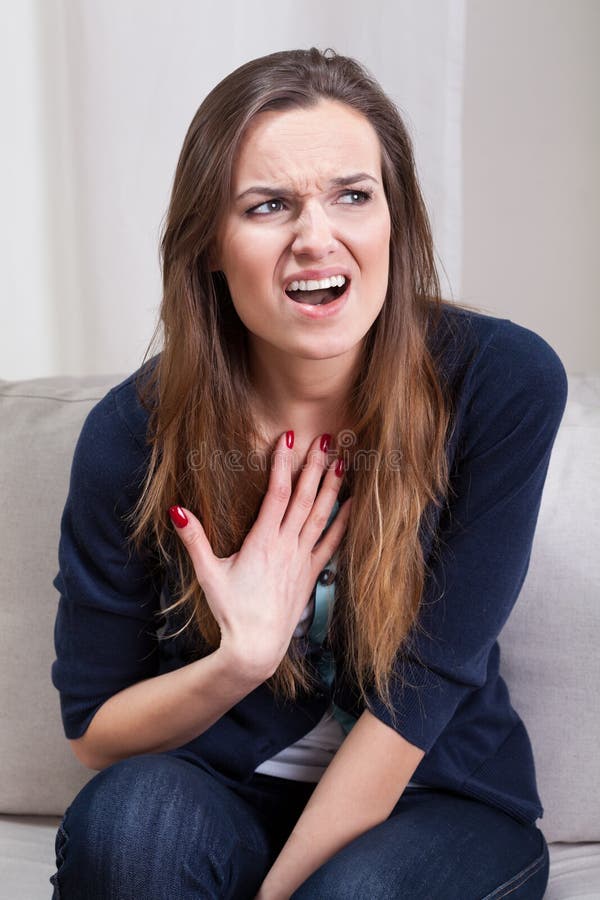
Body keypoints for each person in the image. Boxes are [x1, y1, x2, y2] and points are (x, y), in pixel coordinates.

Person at [49, 47, 566, 899]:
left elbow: (422, 691)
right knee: (128, 827)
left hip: (434, 801)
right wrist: (239, 662)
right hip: (218, 793)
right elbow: (95, 736)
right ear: (210, 243)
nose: (315, 238)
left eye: (353, 197)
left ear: (394, 221)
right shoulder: (131, 434)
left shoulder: (501, 383)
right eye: (268, 206)